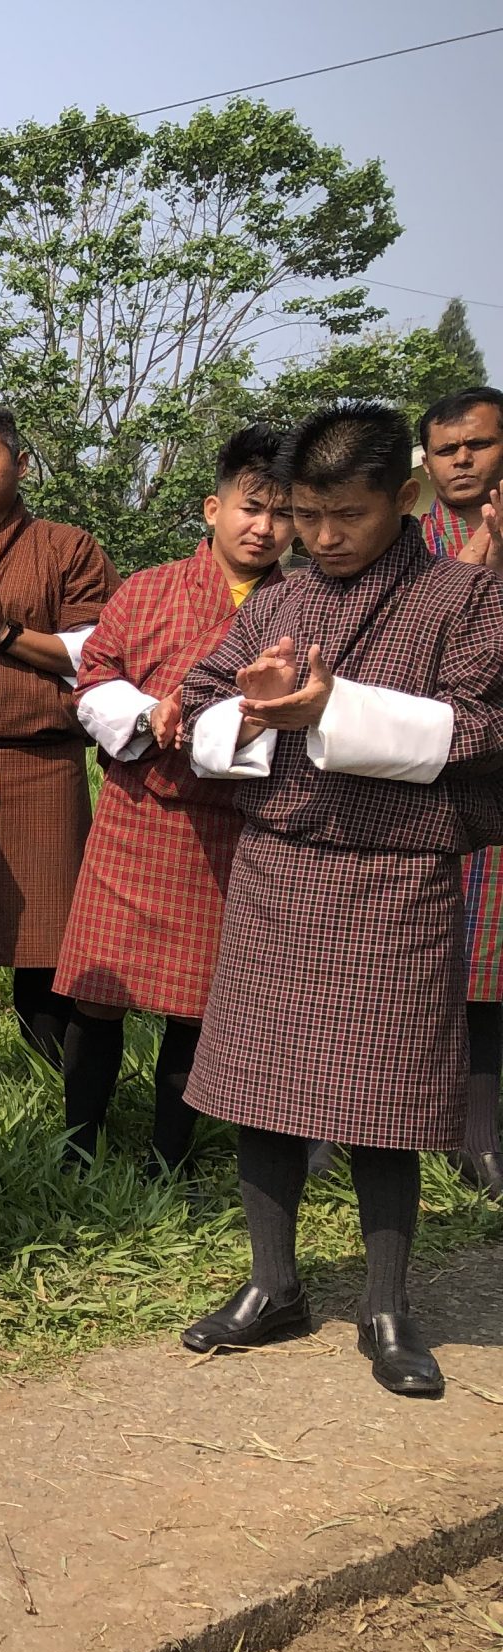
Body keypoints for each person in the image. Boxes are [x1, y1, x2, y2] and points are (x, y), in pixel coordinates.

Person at [172, 402, 503, 1399]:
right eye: (306, 515)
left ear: (401, 499)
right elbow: (196, 701)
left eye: (345, 515)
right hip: (280, 870)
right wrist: (249, 703)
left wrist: (331, 709)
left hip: (393, 877)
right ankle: (273, 1286)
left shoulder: (461, 597)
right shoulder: (280, 602)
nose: (321, 537)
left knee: (384, 1100)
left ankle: (387, 1305)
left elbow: (480, 723)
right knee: (256, 1093)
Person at [52, 428, 289, 1172]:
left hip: (232, 827)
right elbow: (93, 676)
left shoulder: (304, 606)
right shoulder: (149, 587)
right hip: (135, 814)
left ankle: (169, 1159)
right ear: (213, 508)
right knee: (98, 992)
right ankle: (77, 1144)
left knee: (197, 1004)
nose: (264, 528)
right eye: (251, 508)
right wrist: (148, 712)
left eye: (283, 515)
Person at [0, 405, 120, 1063]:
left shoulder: (66, 547)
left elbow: (97, 651)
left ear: (20, 464)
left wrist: (6, 630)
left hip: (42, 762)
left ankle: (46, 1072)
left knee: (47, 936)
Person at [418, 387, 503, 1192]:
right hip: (428, 775)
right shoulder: (410, 545)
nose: (465, 461)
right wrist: (473, 570)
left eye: (478, 445)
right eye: (448, 450)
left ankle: (480, 1136)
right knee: (411, 957)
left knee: (490, 961)